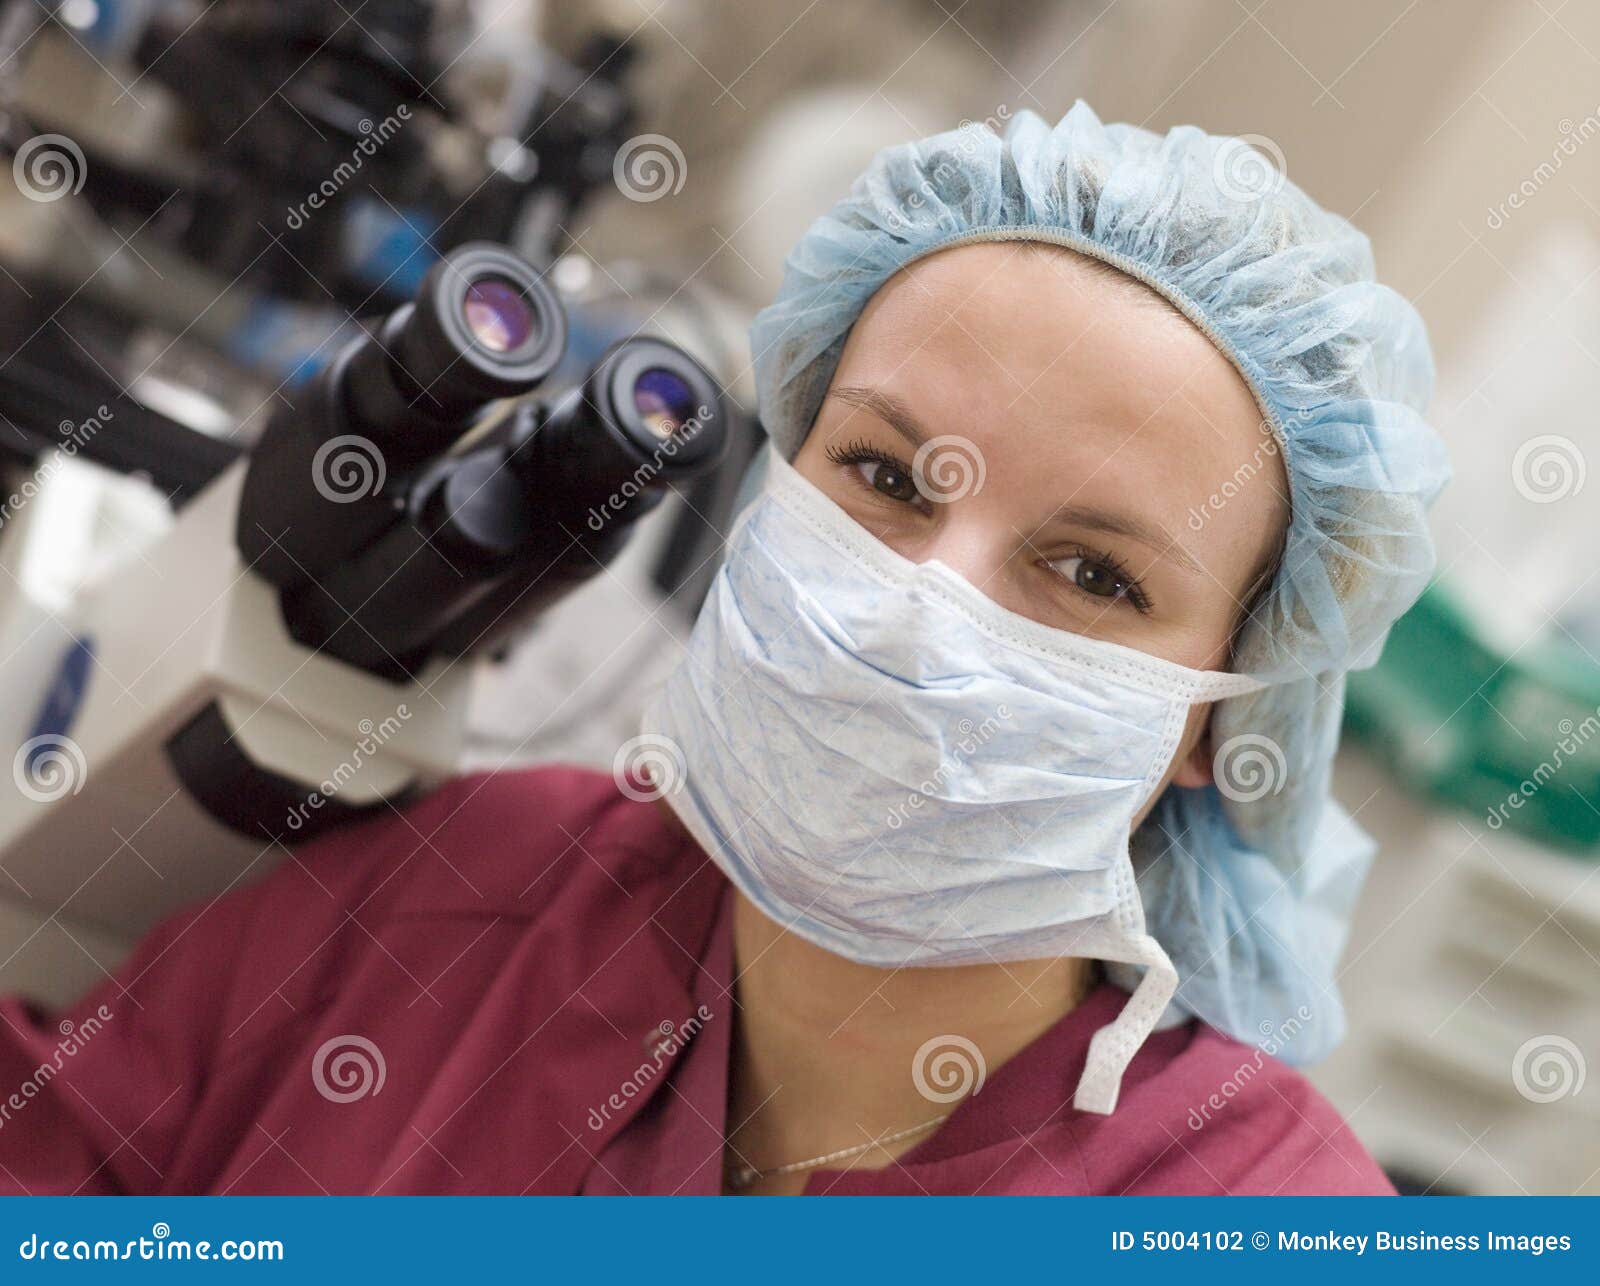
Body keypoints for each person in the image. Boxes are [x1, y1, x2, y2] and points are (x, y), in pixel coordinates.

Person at [0, 103, 1447, 1195]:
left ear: (1219, 720)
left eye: (1093, 574)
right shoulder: (468, 894)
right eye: (884, 475)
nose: (920, 605)